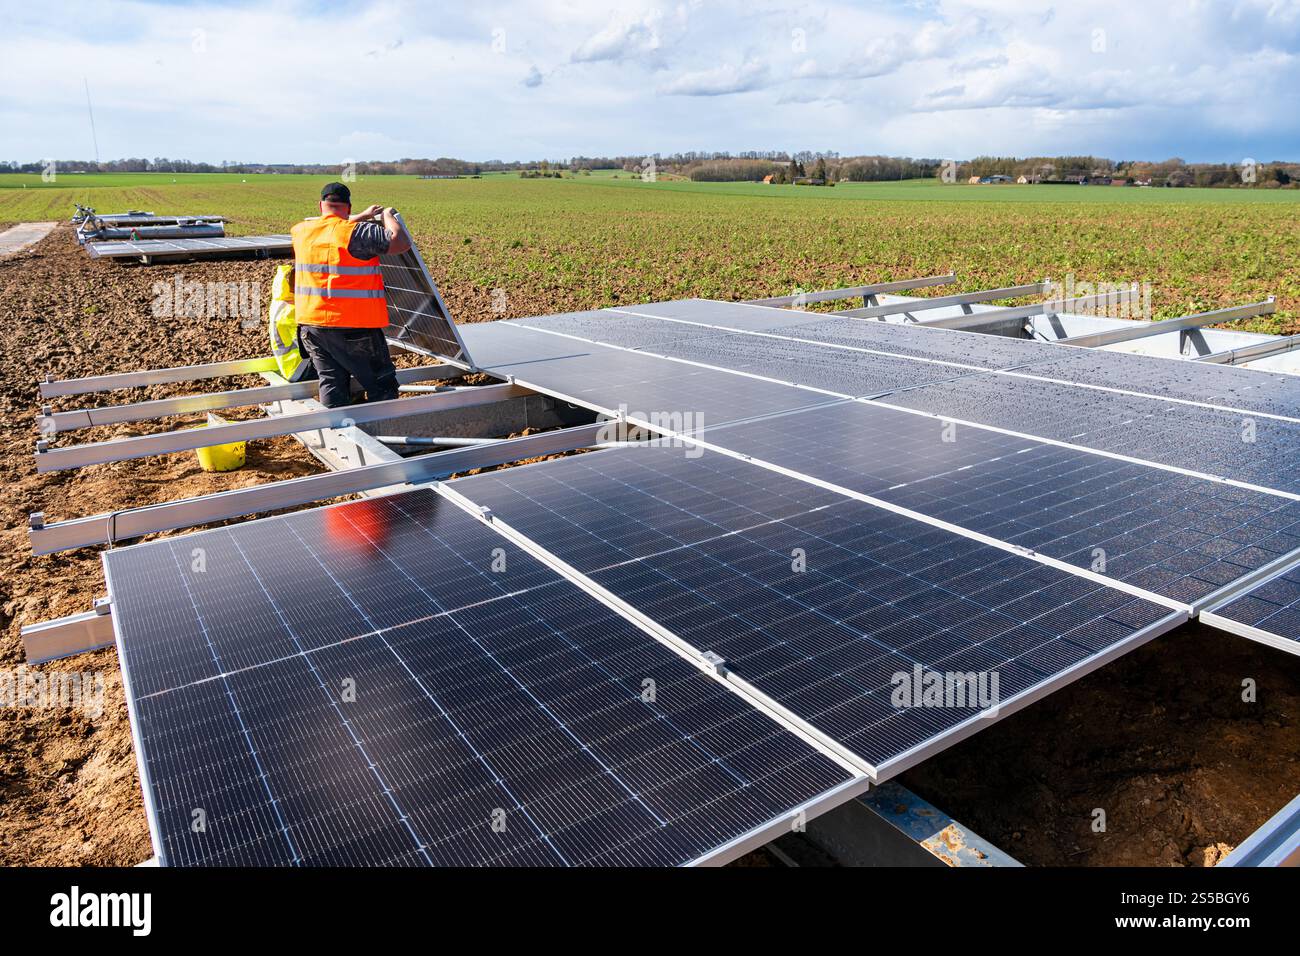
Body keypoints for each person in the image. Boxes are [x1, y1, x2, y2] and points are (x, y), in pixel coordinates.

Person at [289, 182, 411, 408]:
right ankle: (382, 431)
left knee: (331, 382)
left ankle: (336, 431)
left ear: (320, 205)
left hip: (311, 326)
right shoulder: (358, 233)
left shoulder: (301, 231)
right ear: (349, 206)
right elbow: (400, 242)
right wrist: (387, 215)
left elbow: (332, 230)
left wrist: (362, 215)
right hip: (354, 327)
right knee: (381, 385)